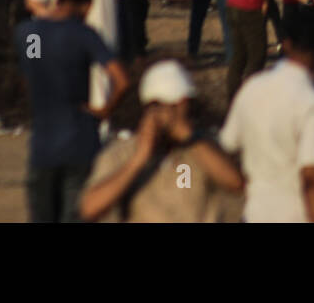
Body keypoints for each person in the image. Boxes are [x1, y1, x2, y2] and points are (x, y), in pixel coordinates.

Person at [18, 0, 130, 221]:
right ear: (86, 6)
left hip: (43, 142)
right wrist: (105, 111)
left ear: (58, 1)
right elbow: (121, 80)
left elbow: (31, 74)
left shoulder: (30, 34)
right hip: (80, 140)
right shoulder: (84, 35)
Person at [79, 60, 243, 222]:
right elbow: (90, 208)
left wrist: (188, 137)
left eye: (182, 107)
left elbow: (236, 184)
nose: (174, 117)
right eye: (166, 107)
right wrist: (139, 159)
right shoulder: (122, 153)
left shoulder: (204, 149)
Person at [219, 10, 314, 222]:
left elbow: (226, 148)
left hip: (254, 214)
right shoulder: (313, 103)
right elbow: (311, 178)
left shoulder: (252, 87)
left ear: (286, 44)